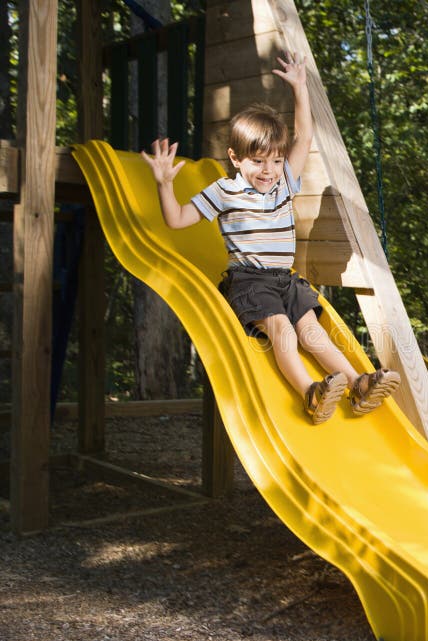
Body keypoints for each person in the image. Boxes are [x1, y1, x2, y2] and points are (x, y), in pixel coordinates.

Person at [141, 52, 400, 424]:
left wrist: (300, 87)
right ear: (236, 157)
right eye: (259, 161)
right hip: (249, 281)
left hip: (286, 280)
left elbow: (305, 135)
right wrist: (165, 184)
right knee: (281, 328)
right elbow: (177, 219)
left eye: (276, 161)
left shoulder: (285, 187)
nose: (269, 170)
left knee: (312, 331)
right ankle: (310, 392)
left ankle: (359, 385)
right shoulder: (223, 191)